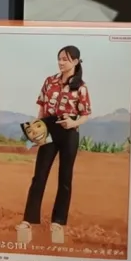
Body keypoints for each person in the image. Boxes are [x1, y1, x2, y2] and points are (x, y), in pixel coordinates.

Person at [16, 46, 91, 244]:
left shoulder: (81, 87)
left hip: (68, 131)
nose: (61, 62)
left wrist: (73, 123)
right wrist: (35, 131)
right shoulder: (50, 81)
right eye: (59, 58)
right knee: (39, 175)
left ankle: (58, 222)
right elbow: (41, 107)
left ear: (75, 61)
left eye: (65, 59)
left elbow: (85, 114)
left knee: (65, 178)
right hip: (48, 127)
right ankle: (28, 220)